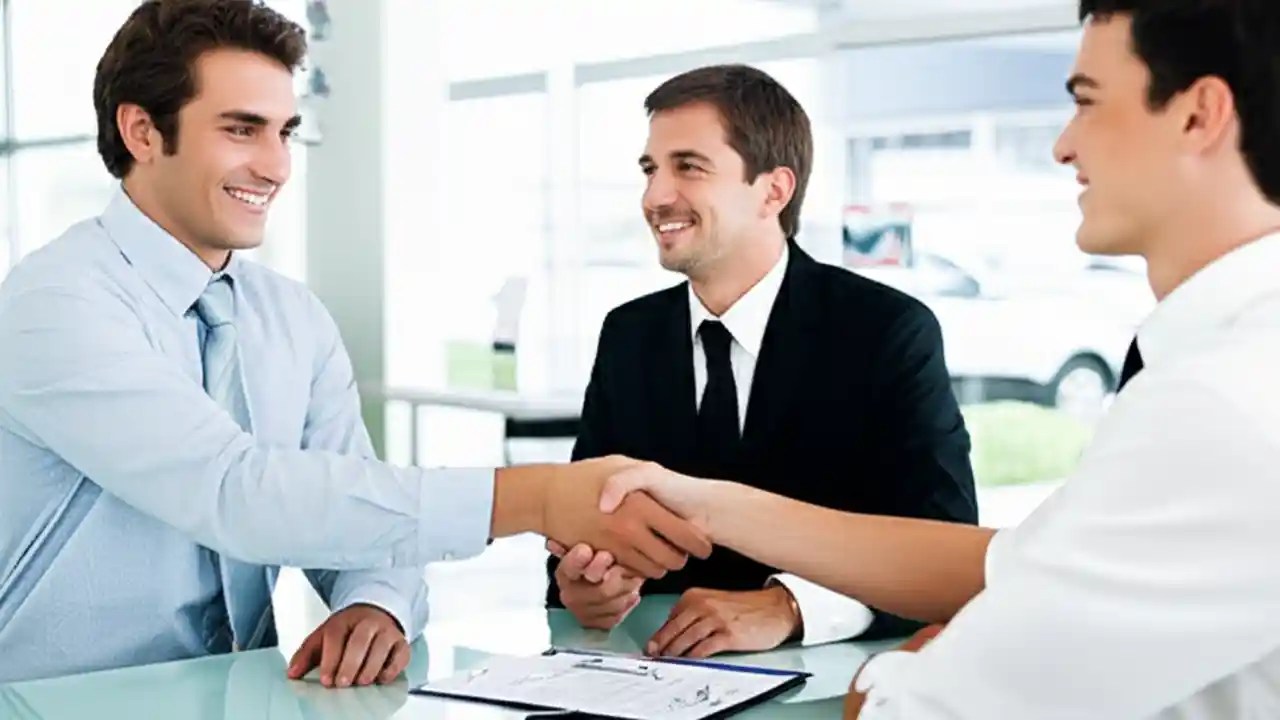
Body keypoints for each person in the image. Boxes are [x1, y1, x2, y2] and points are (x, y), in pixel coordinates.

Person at [597, 0, 1280, 716]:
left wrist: (894, 675)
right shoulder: (1223, 365)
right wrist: (707, 504)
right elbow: (1001, 564)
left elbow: (916, 711)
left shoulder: (1221, 401)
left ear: (1199, 114)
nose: (1063, 146)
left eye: (1086, 102)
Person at [0, 0, 708, 687]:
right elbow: (234, 492)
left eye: (285, 132)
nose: (276, 166)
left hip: (241, 696)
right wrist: (538, 497)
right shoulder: (56, 304)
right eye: (242, 130)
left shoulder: (291, 317)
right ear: (143, 133)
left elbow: (350, 501)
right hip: (48, 701)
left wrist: (375, 600)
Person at [546, 64, 977, 659]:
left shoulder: (884, 331)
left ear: (773, 190)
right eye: (650, 170)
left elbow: (945, 551)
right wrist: (582, 586)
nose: (654, 196)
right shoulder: (629, 335)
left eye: (688, 167)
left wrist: (792, 606)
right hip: (649, 680)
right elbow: (584, 532)